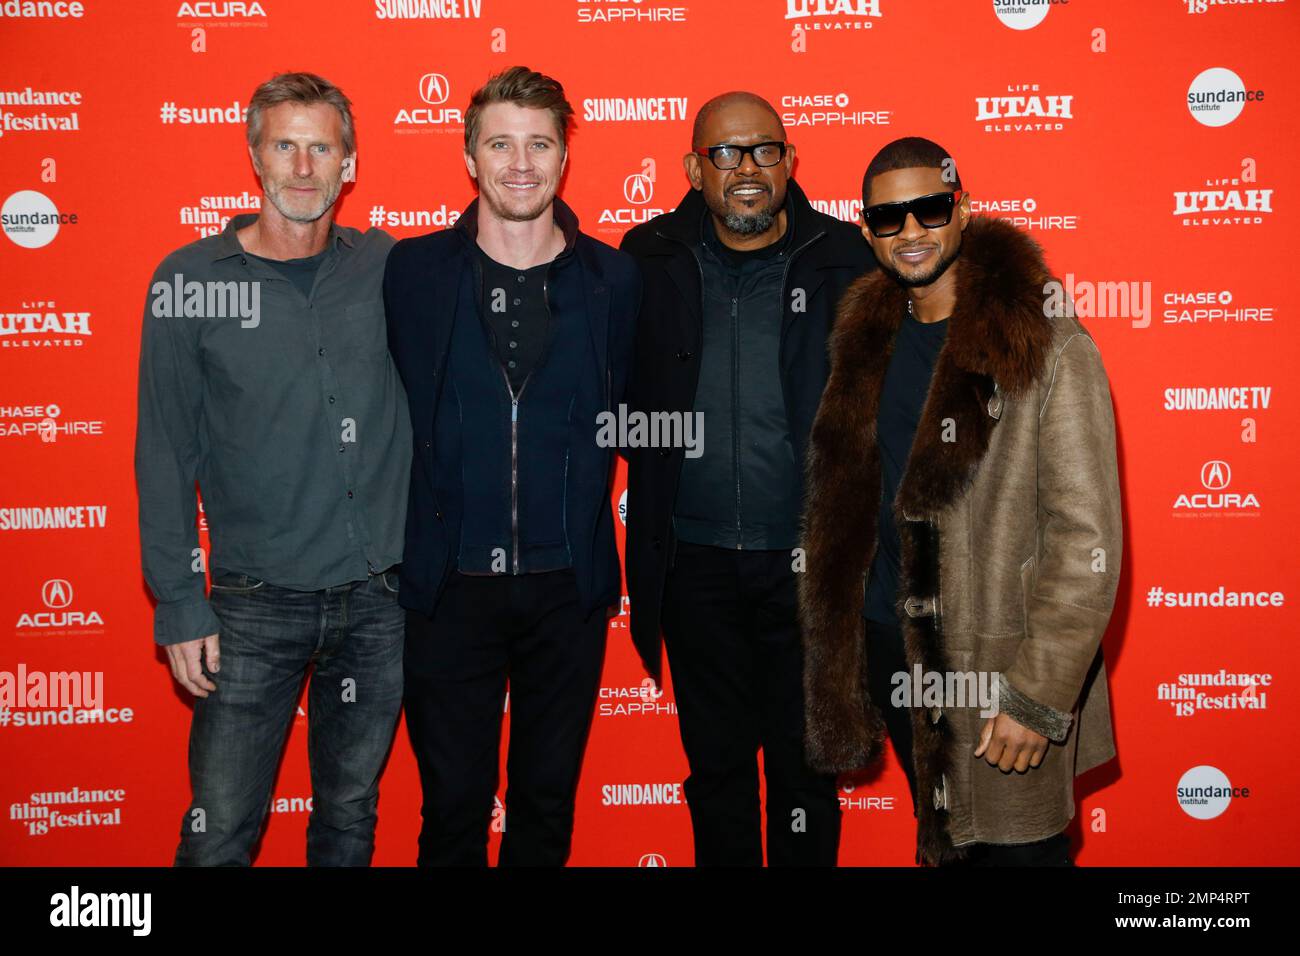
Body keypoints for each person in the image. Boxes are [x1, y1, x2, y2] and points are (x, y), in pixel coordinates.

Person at [799, 136, 1121, 866]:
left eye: (929, 209)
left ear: (963, 210)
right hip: (898, 654)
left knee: (1019, 853)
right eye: (889, 218)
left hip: (1002, 661)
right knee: (945, 847)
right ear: (867, 230)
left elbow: (1087, 542)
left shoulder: (1046, 343)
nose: (911, 232)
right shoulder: (862, 343)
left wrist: (1035, 698)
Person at [135, 72, 411, 866]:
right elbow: (163, 450)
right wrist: (179, 602)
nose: (301, 166)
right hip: (252, 609)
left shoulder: (390, 267)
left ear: (349, 164)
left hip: (378, 601)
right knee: (221, 831)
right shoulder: (188, 282)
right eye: (283, 145)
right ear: (254, 155)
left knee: (349, 820)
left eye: (320, 147)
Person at [384, 66, 639, 866]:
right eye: (501, 143)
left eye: (539, 143)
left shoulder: (613, 280)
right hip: (447, 591)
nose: (520, 163)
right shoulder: (413, 274)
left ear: (565, 157)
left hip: (567, 591)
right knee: (452, 812)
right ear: (470, 156)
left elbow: (640, 417)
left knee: (544, 810)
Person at [619, 92, 876, 866]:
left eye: (765, 150)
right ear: (694, 168)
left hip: (808, 570)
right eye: (726, 153)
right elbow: (617, 398)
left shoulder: (846, 259)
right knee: (718, 775)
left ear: (791, 161)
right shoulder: (647, 258)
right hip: (691, 564)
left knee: (806, 776)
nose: (747, 169)